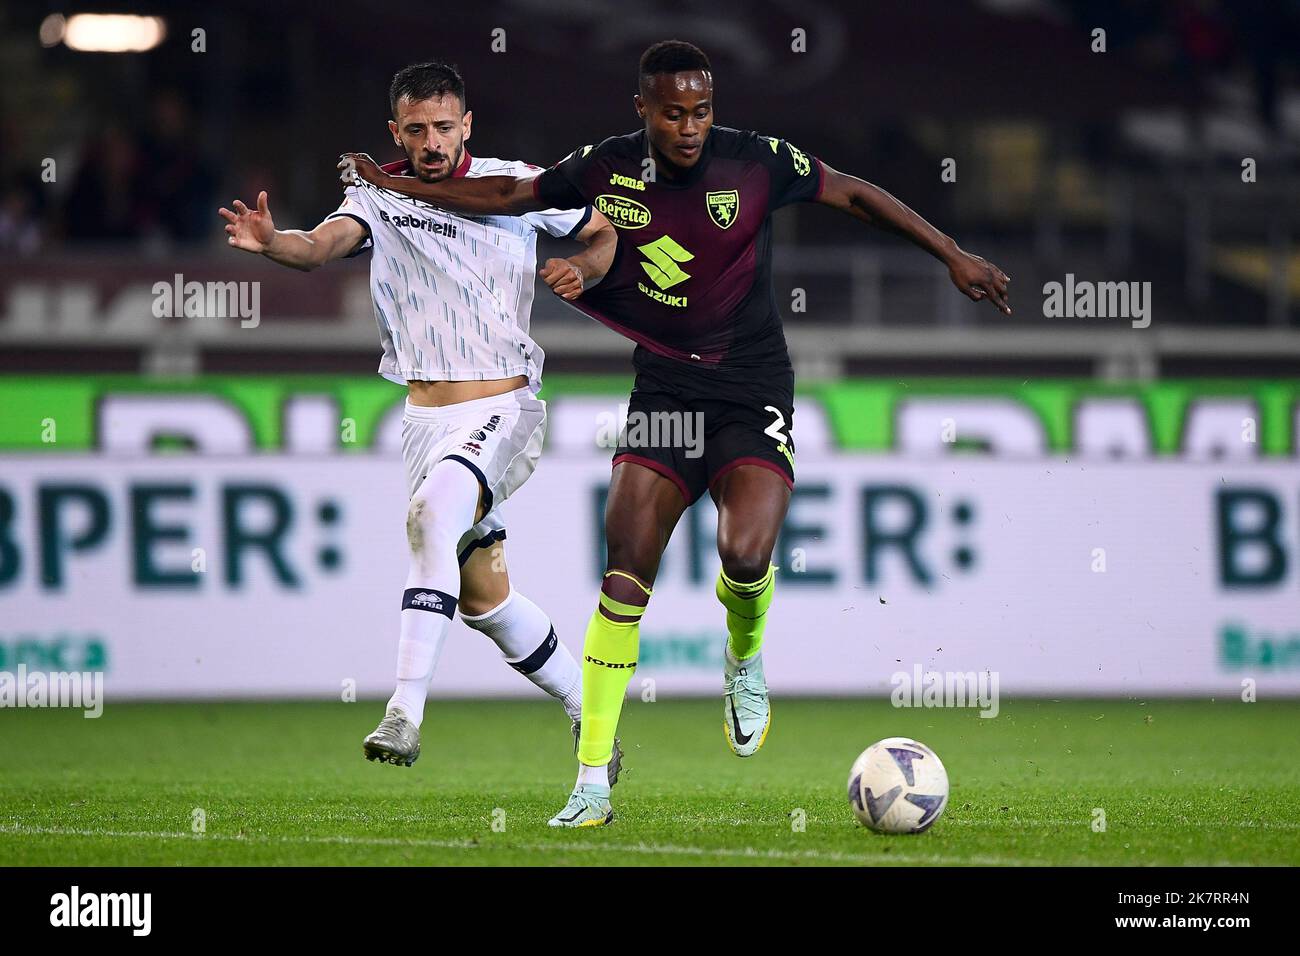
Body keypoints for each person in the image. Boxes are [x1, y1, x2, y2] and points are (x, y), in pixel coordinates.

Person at [342, 40, 1010, 828]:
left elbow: (856, 195)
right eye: (672, 113)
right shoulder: (604, 167)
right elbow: (507, 196)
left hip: (751, 387)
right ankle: (591, 783)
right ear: (643, 111)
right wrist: (395, 187)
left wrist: (952, 254)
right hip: (665, 389)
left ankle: (743, 657)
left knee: (744, 554)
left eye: (700, 111)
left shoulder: (756, 162)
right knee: (625, 570)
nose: (689, 127)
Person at [222, 60, 621, 781]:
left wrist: (585, 271)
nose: (431, 141)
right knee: (483, 598)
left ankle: (404, 712)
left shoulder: (516, 185)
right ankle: (590, 714)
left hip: (502, 406)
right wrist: (272, 242)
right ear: (395, 131)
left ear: (467, 125)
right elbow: (318, 248)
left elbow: (604, 230)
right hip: (422, 419)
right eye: (416, 129)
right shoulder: (375, 194)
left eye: (444, 127)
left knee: (432, 517)